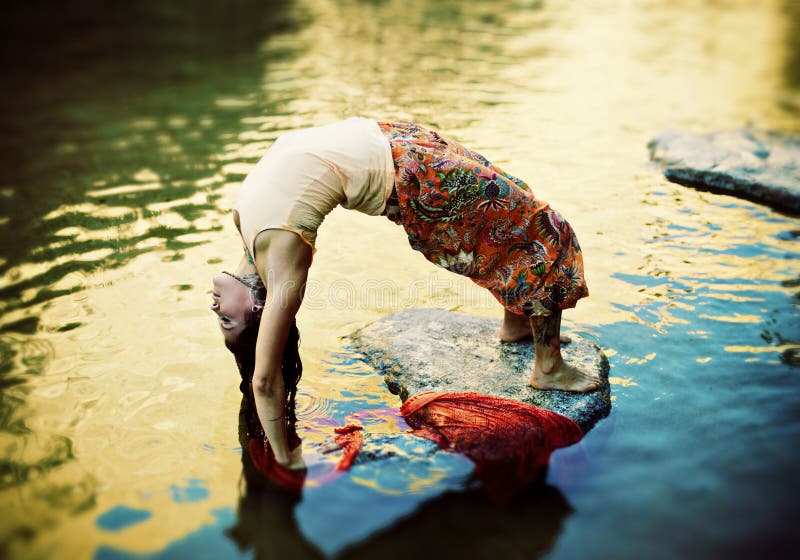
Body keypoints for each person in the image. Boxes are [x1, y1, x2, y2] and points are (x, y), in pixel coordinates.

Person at [210, 117, 600, 470]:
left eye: (219, 318)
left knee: (511, 210)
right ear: (258, 307)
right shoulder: (284, 266)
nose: (215, 307)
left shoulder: (246, 227)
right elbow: (264, 380)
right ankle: (548, 367)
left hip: (396, 141)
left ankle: (516, 326)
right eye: (228, 319)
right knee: (545, 228)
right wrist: (287, 458)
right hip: (408, 172)